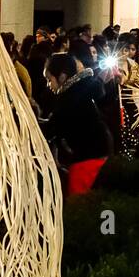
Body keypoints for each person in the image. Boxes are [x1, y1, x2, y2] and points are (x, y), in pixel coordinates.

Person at [42, 53, 112, 196]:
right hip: (100, 154)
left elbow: (52, 130)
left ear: (62, 77)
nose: (48, 85)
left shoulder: (69, 99)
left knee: (81, 206)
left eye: (50, 80)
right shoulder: (82, 90)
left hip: (85, 162)